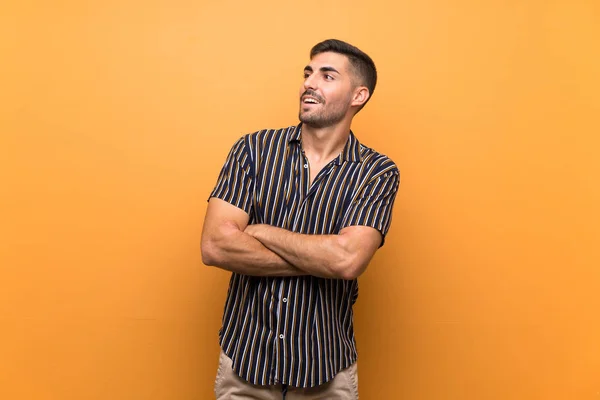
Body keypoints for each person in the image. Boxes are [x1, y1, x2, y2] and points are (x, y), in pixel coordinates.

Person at [201, 39, 400, 399]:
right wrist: (321, 257)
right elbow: (215, 245)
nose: (309, 83)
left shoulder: (377, 172)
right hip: (246, 361)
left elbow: (347, 260)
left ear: (358, 95)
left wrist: (261, 232)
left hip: (325, 368)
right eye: (308, 73)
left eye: (327, 76)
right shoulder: (254, 150)